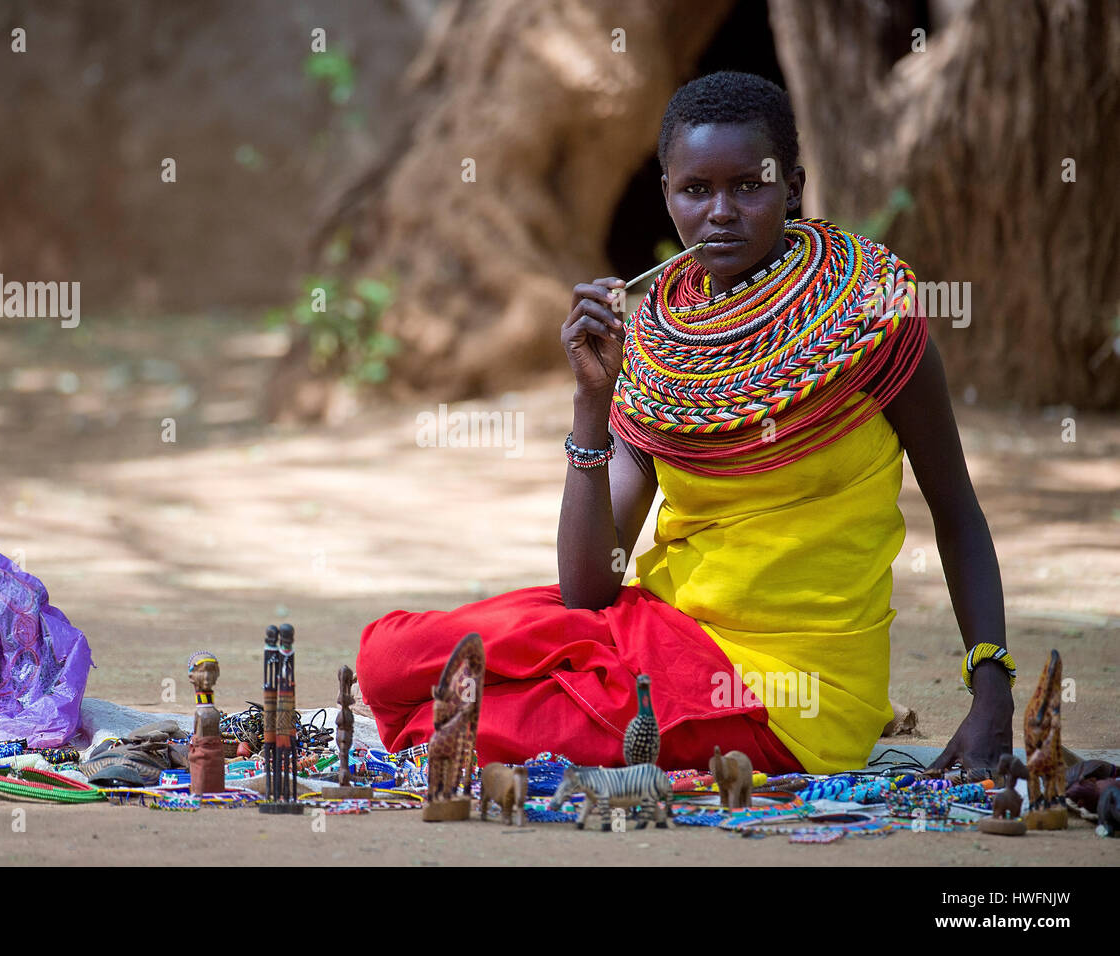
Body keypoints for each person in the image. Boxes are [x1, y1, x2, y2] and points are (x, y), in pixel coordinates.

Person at [356, 71, 1013, 776]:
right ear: (667, 194)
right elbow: (588, 590)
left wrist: (993, 696)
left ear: (792, 187)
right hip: (658, 639)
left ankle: (559, 705)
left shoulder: (871, 320)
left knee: (468, 726)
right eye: (695, 190)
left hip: (786, 696)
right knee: (389, 657)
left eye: (748, 187)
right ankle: (569, 697)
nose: (720, 212)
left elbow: (958, 514)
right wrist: (592, 403)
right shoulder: (660, 352)